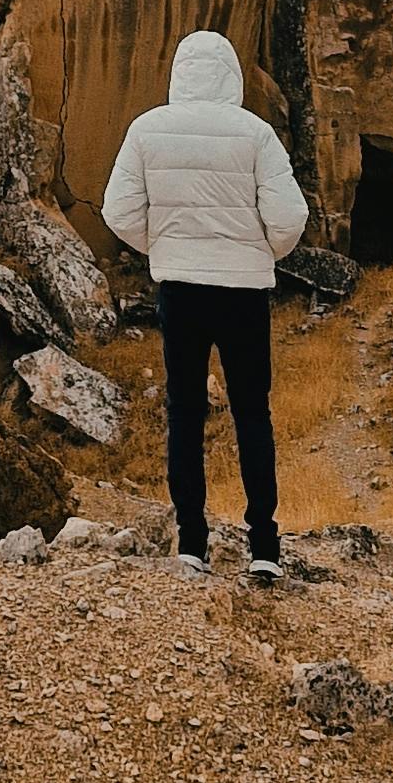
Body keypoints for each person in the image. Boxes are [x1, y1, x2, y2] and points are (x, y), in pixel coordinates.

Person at [100, 29, 308, 584]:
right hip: (243, 293)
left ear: (179, 73)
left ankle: (192, 543)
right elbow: (289, 218)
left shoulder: (147, 130)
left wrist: (165, 246)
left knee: (185, 414)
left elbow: (118, 210)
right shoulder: (256, 134)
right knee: (251, 414)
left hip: (180, 290)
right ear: (232, 75)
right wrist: (259, 251)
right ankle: (264, 547)